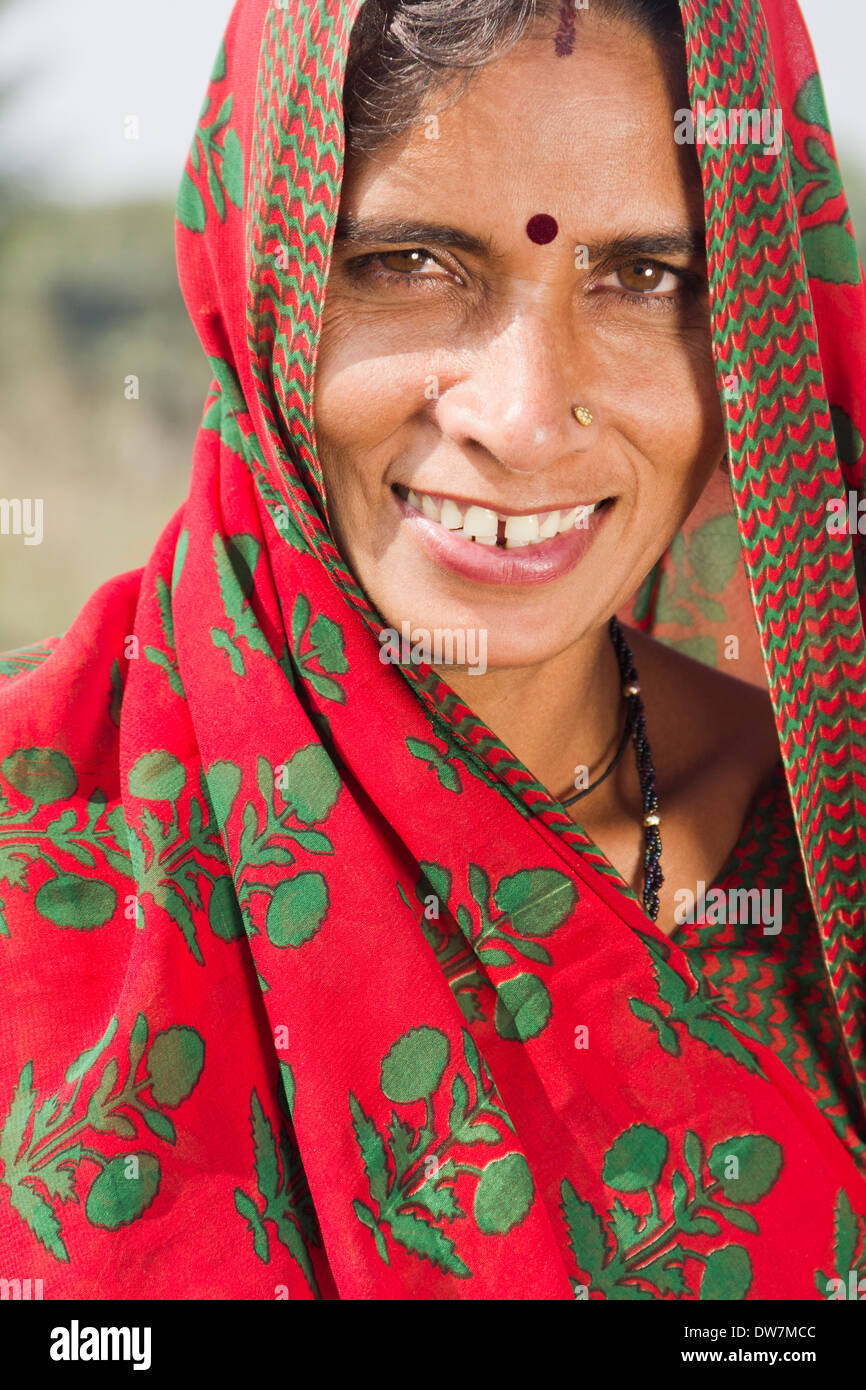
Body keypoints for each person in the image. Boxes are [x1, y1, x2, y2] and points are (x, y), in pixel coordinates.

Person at [0, 0, 864, 1300]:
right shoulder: (37, 839)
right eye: (409, 262)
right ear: (261, 277)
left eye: (644, 277)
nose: (520, 418)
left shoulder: (826, 853)